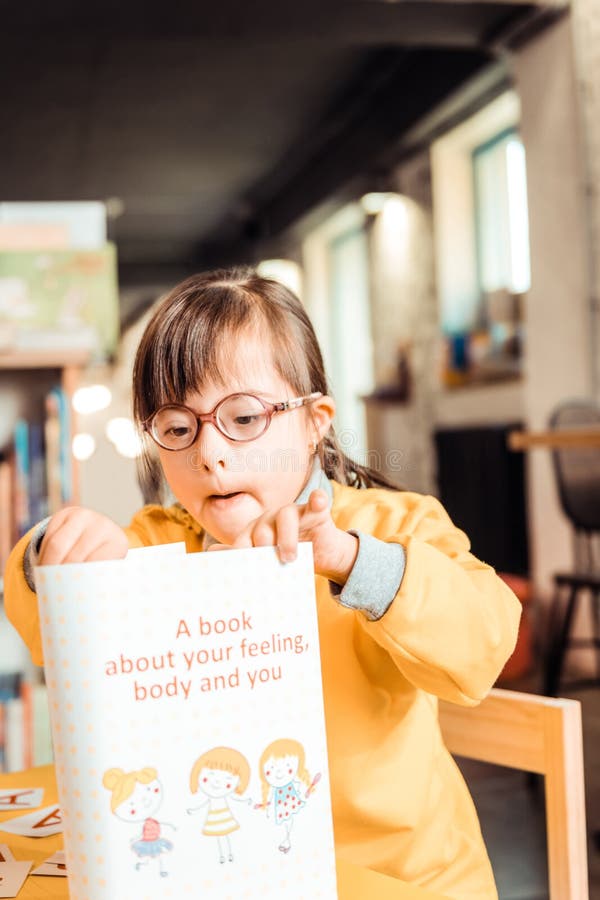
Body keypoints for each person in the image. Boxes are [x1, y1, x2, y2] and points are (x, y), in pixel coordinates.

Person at [4, 267, 521, 899]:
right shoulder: (156, 544)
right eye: (178, 428)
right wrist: (53, 553)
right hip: (221, 870)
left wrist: (351, 560)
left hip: (397, 877)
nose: (209, 454)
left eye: (244, 417)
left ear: (314, 421)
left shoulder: (391, 527)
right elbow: (44, 625)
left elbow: (485, 640)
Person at [187, 745, 251, 864]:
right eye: (210, 775)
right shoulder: (211, 799)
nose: (216, 782)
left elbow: (234, 798)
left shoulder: (225, 796)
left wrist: (245, 801)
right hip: (215, 817)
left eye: (228, 780)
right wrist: (194, 810)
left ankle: (229, 853)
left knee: (225, 835)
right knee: (219, 836)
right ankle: (222, 855)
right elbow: (204, 804)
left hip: (224, 816)